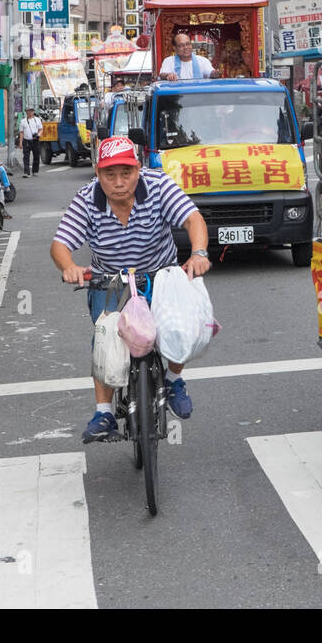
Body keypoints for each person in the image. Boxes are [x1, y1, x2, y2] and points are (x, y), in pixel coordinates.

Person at [52, 137, 211, 442]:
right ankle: (104, 413)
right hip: (109, 280)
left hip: (160, 274)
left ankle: (174, 379)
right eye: (109, 175)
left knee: (181, 328)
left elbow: (193, 219)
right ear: (98, 173)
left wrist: (199, 253)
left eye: (126, 173)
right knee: (106, 341)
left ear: (138, 169)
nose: (119, 182)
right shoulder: (87, 199)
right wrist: (69, 266)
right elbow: (60, 244)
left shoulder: (159, 185)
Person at [20, 105, 43, 177]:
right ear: (26, 112)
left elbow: (41, 129)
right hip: (26, 140)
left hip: (35, 140)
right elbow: (21, 132)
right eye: (28, 111)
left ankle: (35, 171)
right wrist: (20, 142)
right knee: (26, 157)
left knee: (36, 156)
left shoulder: (37, 119)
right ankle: (26, 172)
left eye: (31, 111)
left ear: (33, 112)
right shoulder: (23, 121)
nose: (29, 112)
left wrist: (38, 135)